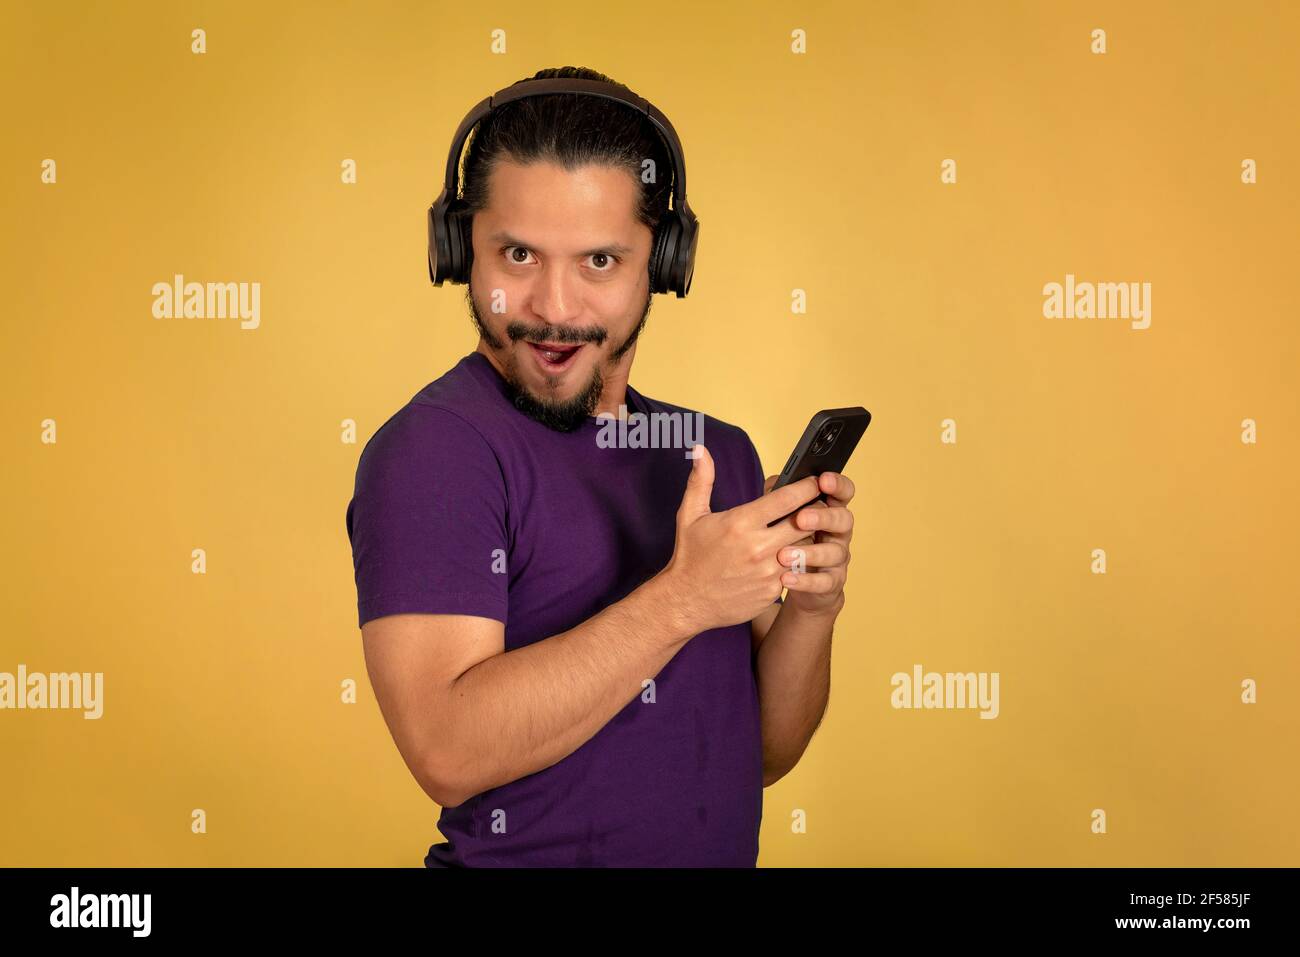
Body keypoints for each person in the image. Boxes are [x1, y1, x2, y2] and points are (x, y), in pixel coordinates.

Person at [345, 65, 857, 867]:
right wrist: (683, 600)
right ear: (459, 249)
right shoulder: (437, 451)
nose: (554, 306)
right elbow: (446, 750)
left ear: (665, 263)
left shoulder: (714, 454)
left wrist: (813, 611)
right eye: (519, 253)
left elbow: (760, 753)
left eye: (599, 262)